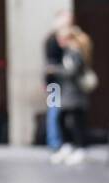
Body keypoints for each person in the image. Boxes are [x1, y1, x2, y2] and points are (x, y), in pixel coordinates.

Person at [51, 25, 94, 165]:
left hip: (75, 93)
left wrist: (56, 70)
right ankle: (67, 146)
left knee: (76, 121)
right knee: (62, 119)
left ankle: (81, 148)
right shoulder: (68, 52)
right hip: (66, 92)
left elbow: (72, 71)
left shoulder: (75, 52)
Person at [43, 10, 71, 154]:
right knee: (54, 110)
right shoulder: (53, 40)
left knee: (57, 111)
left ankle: (58, 140)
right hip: (55, 82)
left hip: (60, 81)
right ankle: (54, 141)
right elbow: (51, 65)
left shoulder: (57, 39)